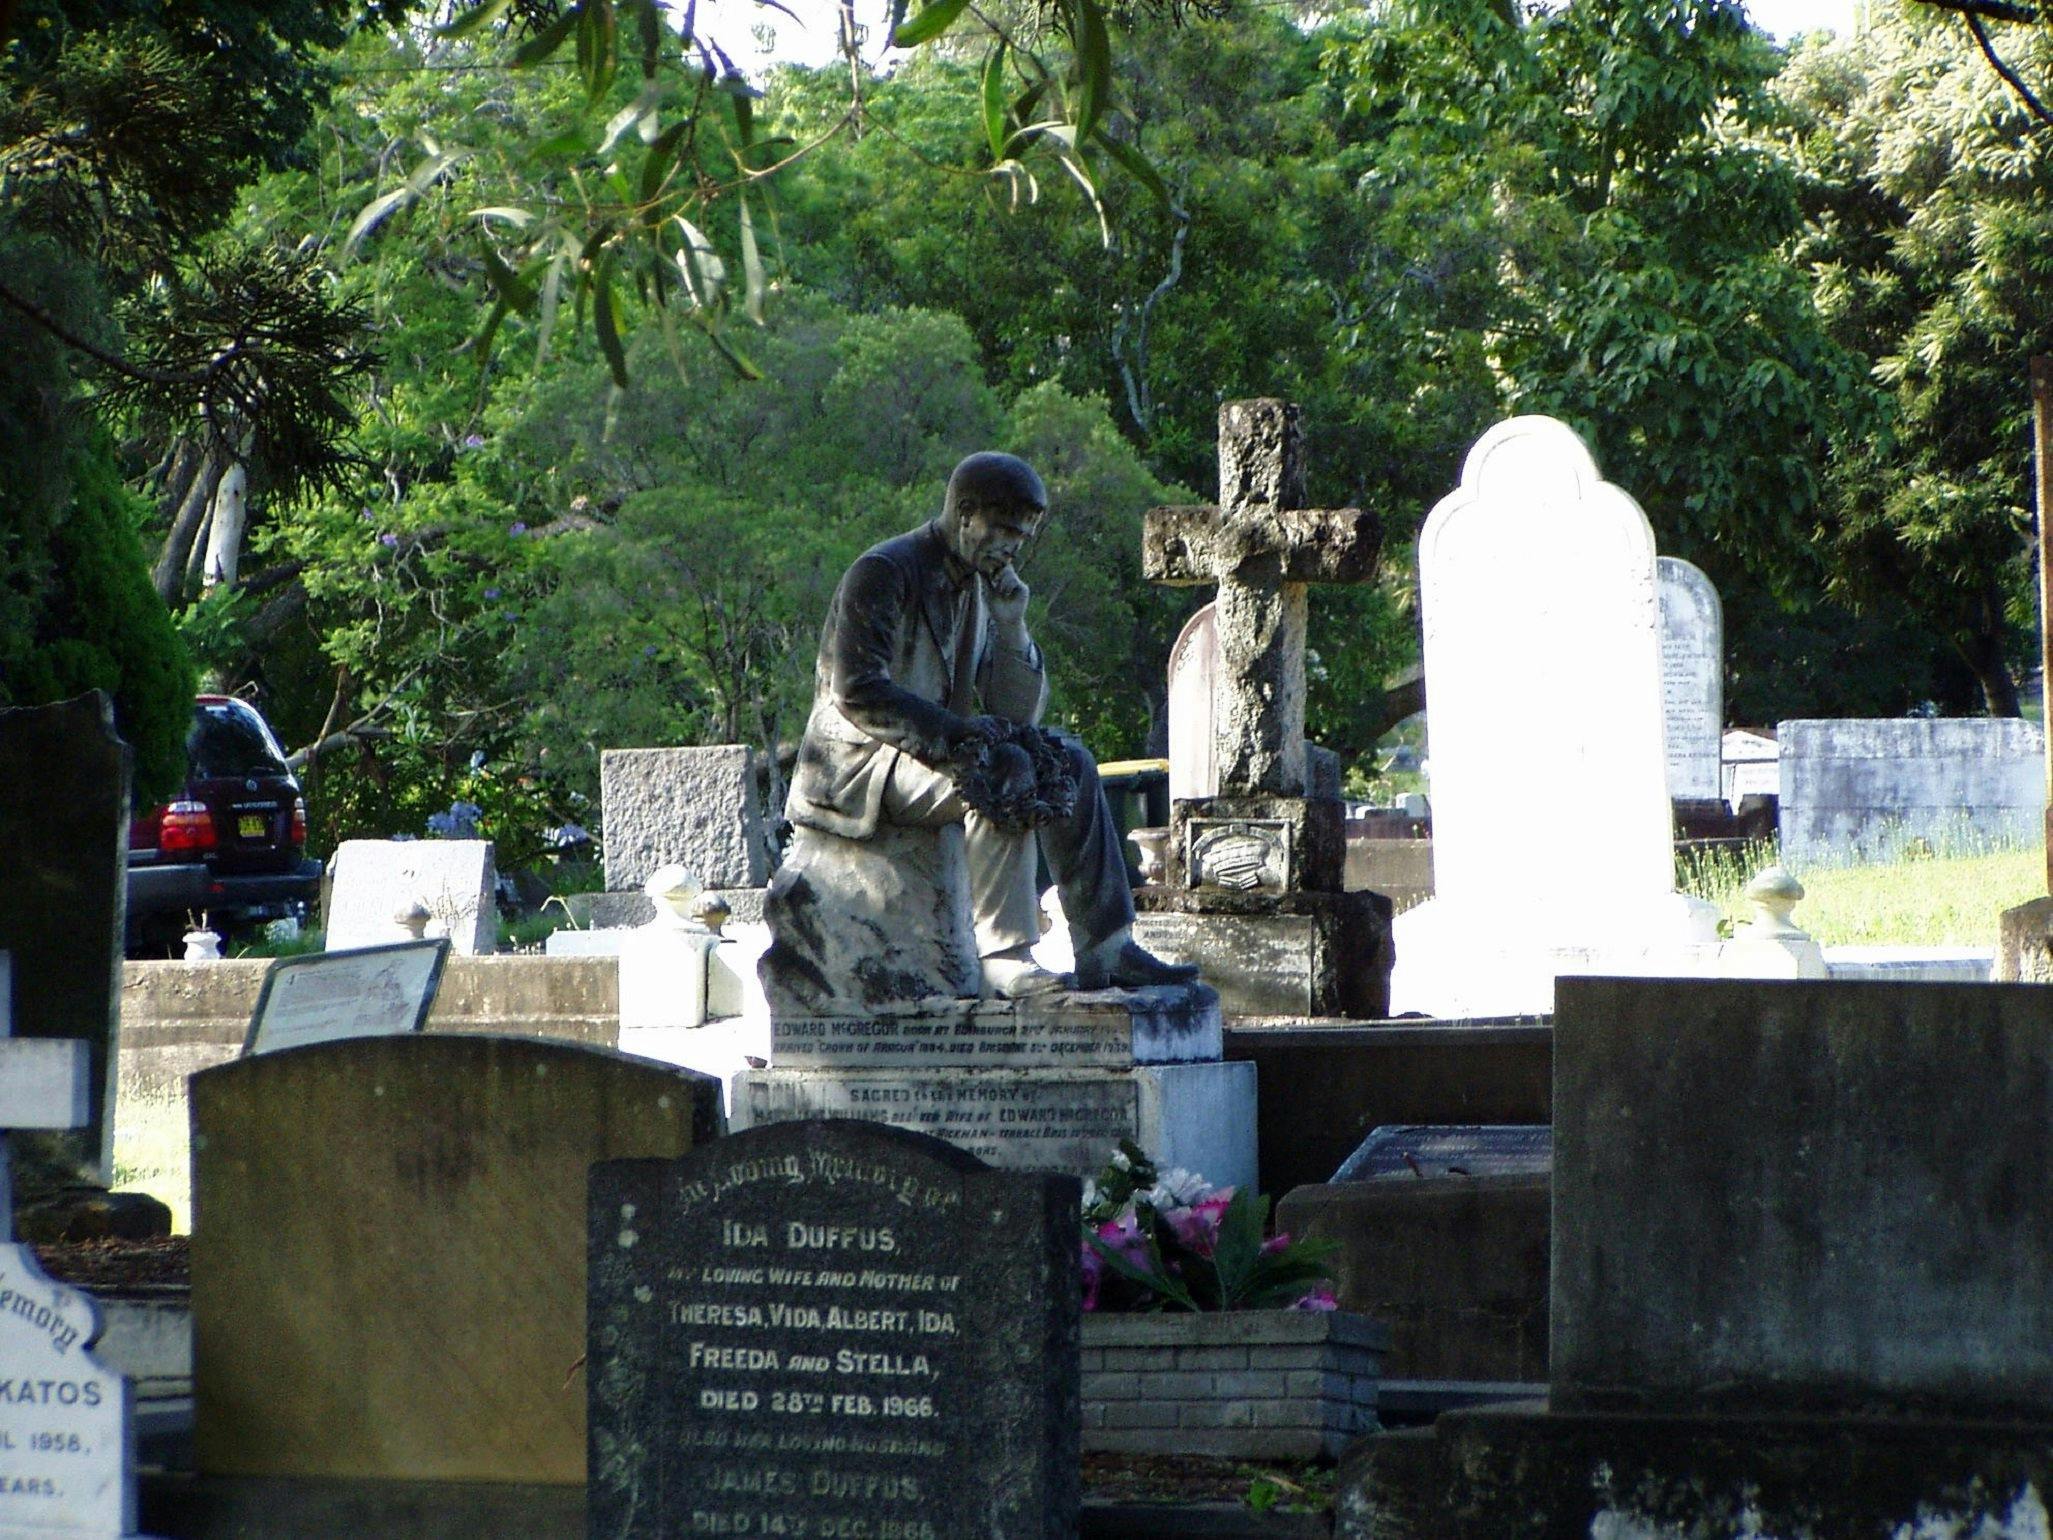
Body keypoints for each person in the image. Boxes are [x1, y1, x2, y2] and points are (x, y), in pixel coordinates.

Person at [786, 451, 1200, 998]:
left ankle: (1107, 947)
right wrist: (961, 739)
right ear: (964, 513)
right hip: (861, 765)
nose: (1012, 546)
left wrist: (1011, 624)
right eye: (1004, 529)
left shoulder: (983, 588)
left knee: (1070, 764)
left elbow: (1015, 712)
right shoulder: (884, 572)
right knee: (1003, 771)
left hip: (930, 752)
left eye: (1022, 537)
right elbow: (857, 689)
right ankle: (1003, 955)